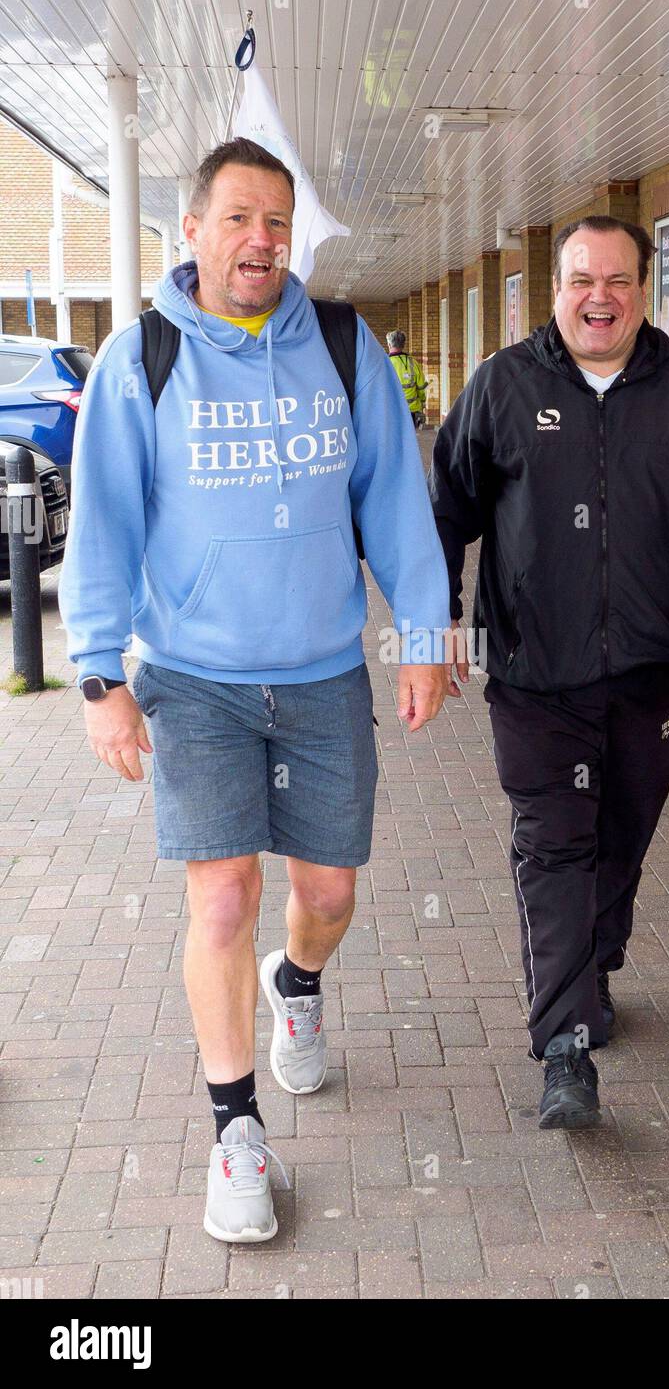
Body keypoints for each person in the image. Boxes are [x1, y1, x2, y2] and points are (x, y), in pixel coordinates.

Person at [59, 137, 451, 1241]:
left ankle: (299, 983)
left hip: (325, 672)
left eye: (275, 221)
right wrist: (98, 674)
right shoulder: (142, 360)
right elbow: (105, 524)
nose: (259, 240)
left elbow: (393, 500)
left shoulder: (340, 343)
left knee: (326, 894)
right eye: (236, 218)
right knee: (221, 894)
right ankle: (236, 1132)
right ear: (190, 231)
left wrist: (423, 633)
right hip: (194, 677)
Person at [429, 214, 669, 1130]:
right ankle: (563, 1048)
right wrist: (433, 625)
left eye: (620, 280)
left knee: (620, 839)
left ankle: (592, 968)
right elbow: (443, 511)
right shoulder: (503, 387)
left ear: (645, 288)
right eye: (583, 279)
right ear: (556, 290)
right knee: (554, 846)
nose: (601, 297)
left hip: (647, 672)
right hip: (533, 674)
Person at [386, 329, 427, 428]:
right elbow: (421, 387)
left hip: (391, 410)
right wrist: (422, 402)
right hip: (411, 411)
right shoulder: (413, 362)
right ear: (403, 344)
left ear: (389, 345)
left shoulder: (385, 363)